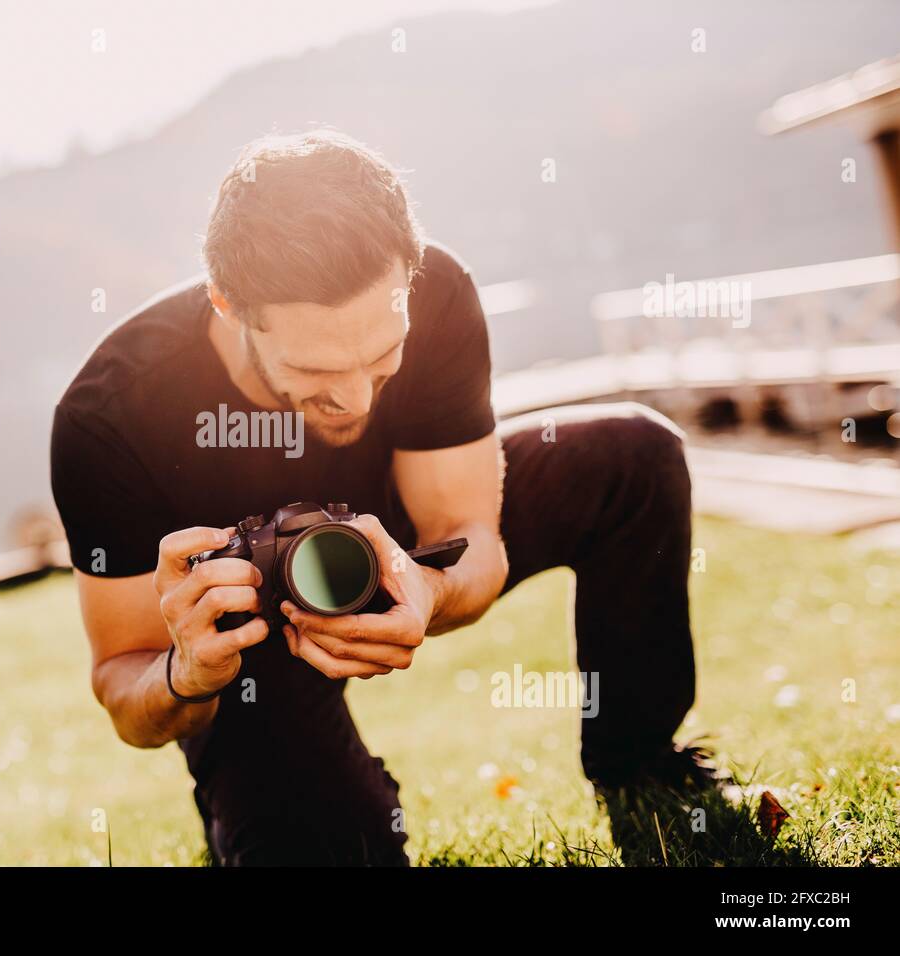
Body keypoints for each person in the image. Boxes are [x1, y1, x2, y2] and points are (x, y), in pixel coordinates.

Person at [50, 130, 710, 866]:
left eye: (383, 356)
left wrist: (428, 591)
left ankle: (641, 762)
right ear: (227, 305)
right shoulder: (107, 418)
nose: (356, 398)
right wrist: (186, 673)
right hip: (246, 633)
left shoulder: (439, 294)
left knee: (635, 458)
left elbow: (471, 537)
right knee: (337, 848)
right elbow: (123, 691)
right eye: (314, 369)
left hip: (399, 533)